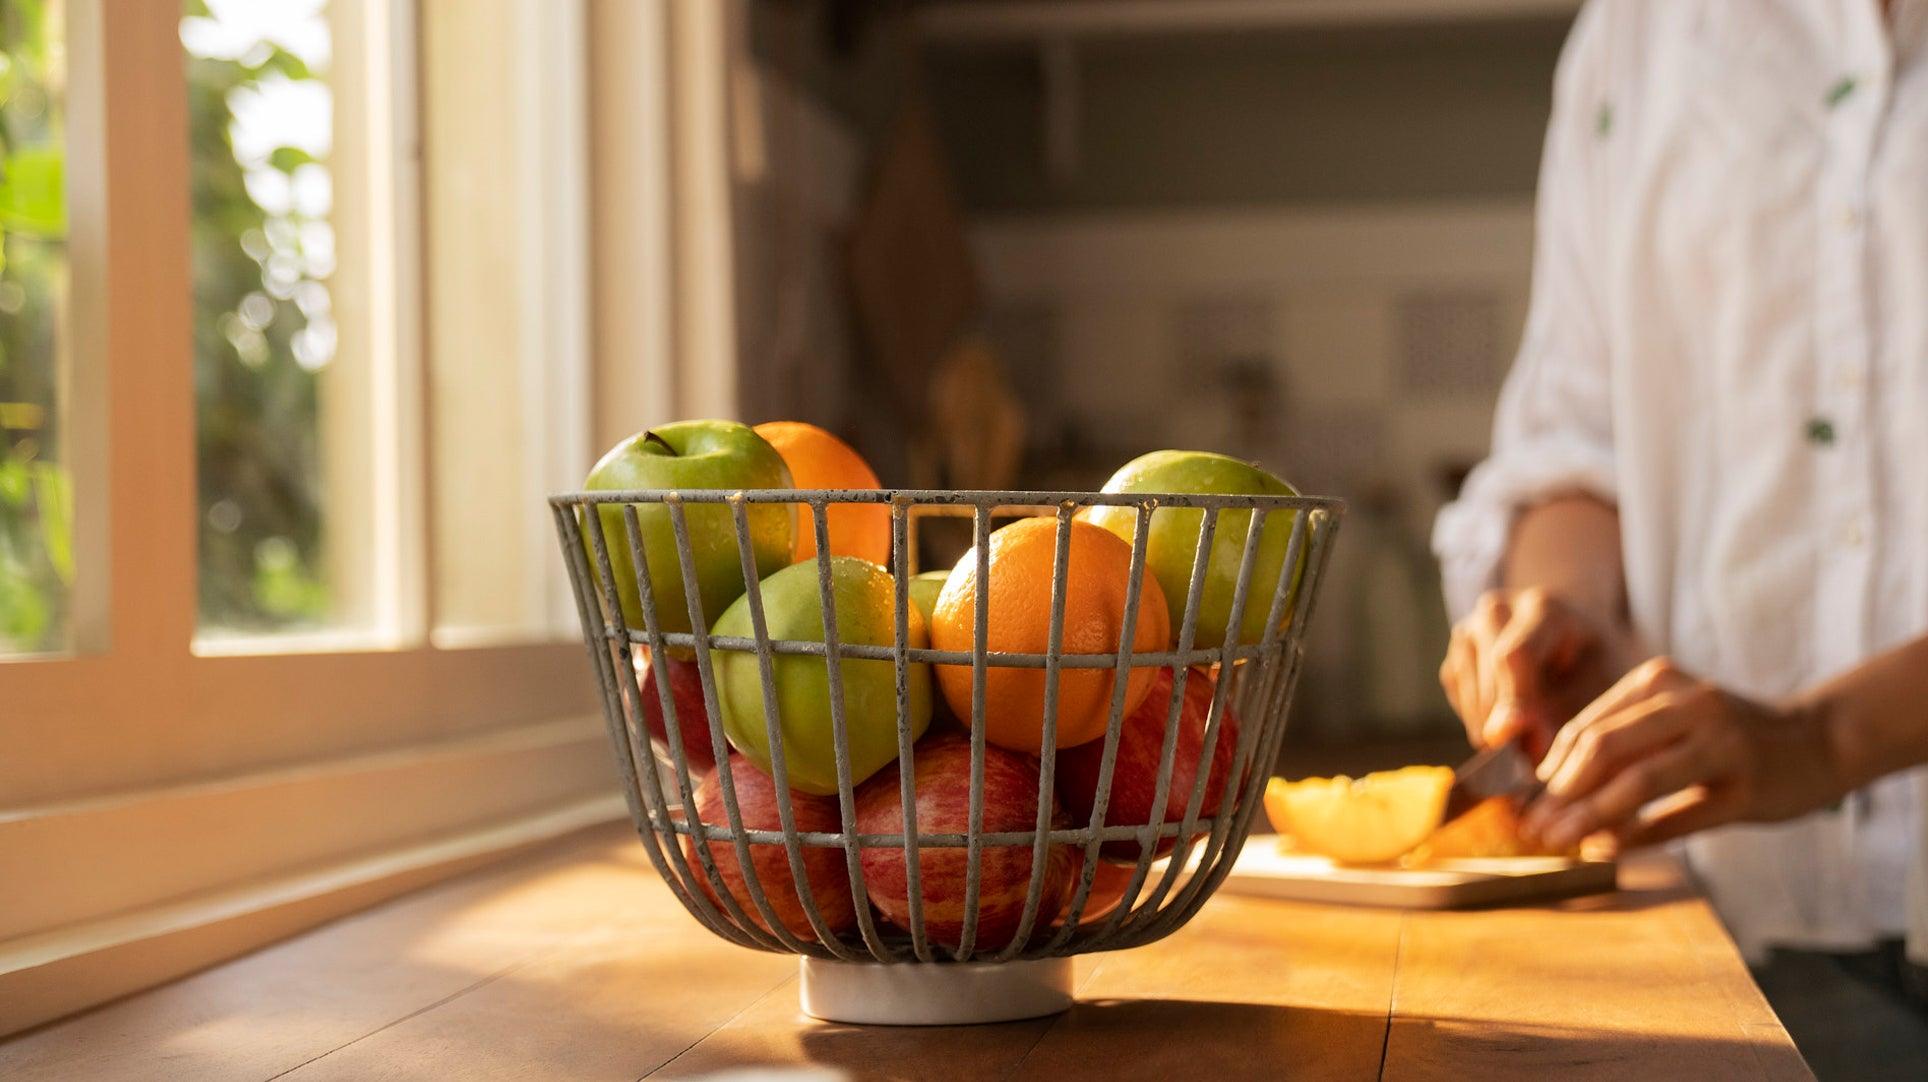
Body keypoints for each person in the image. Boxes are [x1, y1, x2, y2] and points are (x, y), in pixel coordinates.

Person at [1432, 0, 1928, 1068]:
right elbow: (1576, 434)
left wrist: (1823, 738)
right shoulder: (1640, 34)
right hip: (1723, 916)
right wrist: (1562, 608)